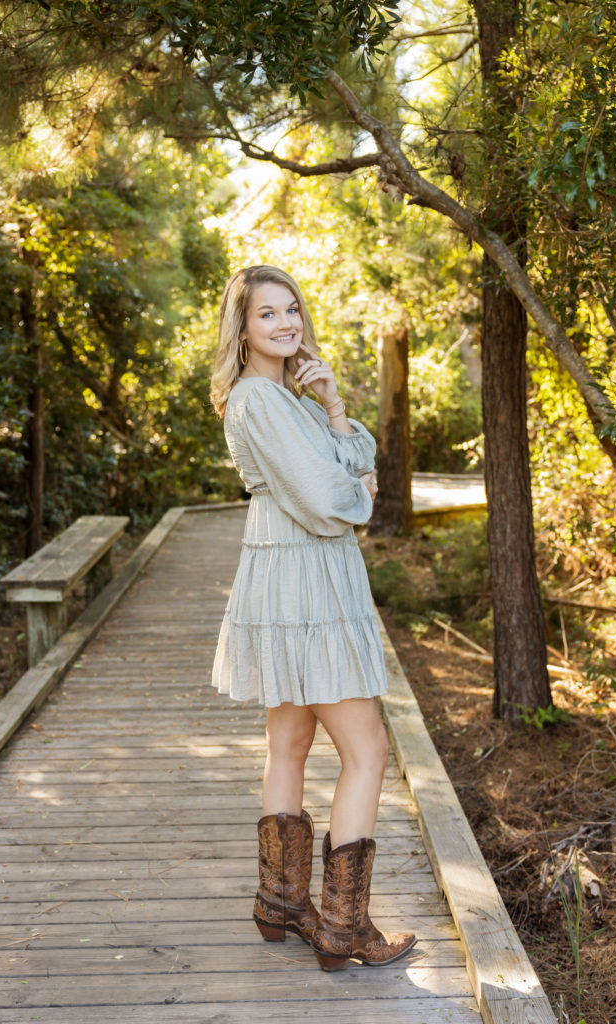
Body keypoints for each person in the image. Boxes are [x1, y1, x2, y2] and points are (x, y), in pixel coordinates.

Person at [210, 265, 415, 971]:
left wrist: (329, 401)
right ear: (241, 330)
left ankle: (282, 902)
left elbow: (354, 459)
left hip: (288, 574)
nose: (284, 323)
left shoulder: (285, 397)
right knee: (368, 751)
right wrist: (349, 490)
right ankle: (343, 926)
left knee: (289, 744)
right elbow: (326, 495)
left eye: (291, 309)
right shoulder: (259, 401)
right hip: (305, 582)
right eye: (267, 314)